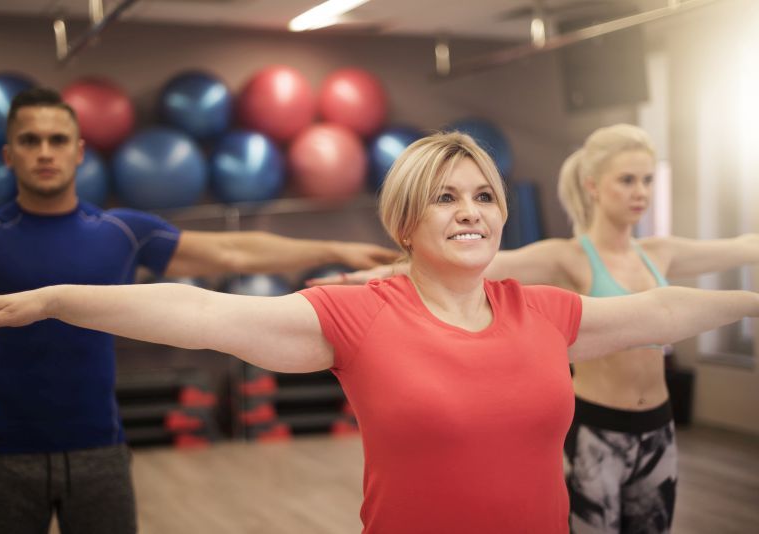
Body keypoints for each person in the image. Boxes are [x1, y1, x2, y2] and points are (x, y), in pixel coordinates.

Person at [0, 131, 758, 534]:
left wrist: (750, 302)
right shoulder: (358, 317)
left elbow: (660, 312)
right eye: (446, 198)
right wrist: (62, 296)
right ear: (405, 222)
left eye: (482, 195)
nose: (471, 211)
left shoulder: (540, 310)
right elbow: (203, 313)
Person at [0, 87, 398, 534]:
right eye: (30, 141)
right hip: (5, 456)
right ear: (9, 155)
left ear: (79, 152)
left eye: (58, 140)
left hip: (101, 454)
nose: (45, 152)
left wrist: (336, 247)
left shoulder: (120, 232)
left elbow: (233, 251)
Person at [312, 124, 759, 533]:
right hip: (597, 424)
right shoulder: (567, 258)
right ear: (593, 186)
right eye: (627, 179)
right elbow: (472, 257)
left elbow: (723, 262)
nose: (639, 191)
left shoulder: (659, 251)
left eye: (647, 180)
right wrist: (369, 279)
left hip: (658, 422)